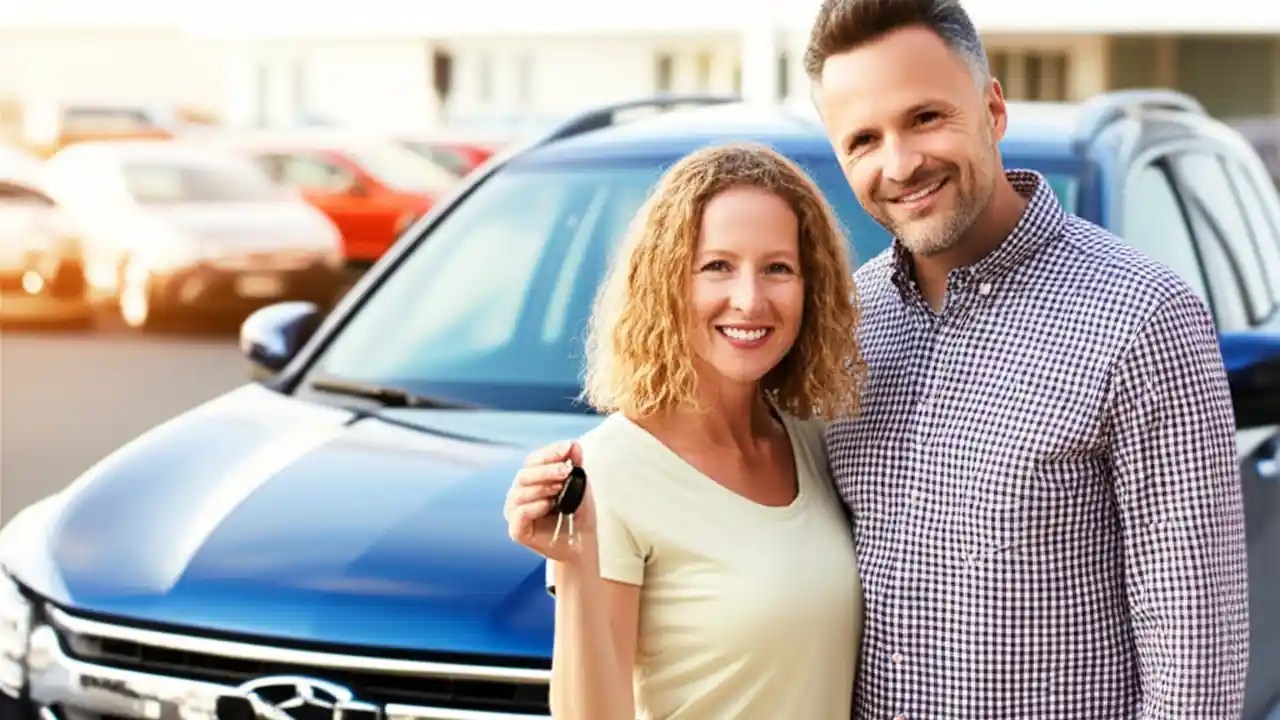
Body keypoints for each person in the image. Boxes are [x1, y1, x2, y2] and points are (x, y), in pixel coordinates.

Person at [513, 0, 1251, 717]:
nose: (900, 163)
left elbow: (1197, 661)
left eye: (926, 117)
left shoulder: (1142, 317)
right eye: (863, 139)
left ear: (993, 110)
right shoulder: (843, 331)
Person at [503, 142, 867, 719]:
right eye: (717, 266)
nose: (749, 300)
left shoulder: (813, 441)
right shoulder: (609, 473)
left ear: (810, 287)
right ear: (666, 281)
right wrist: (574, 563)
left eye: (778, 268)